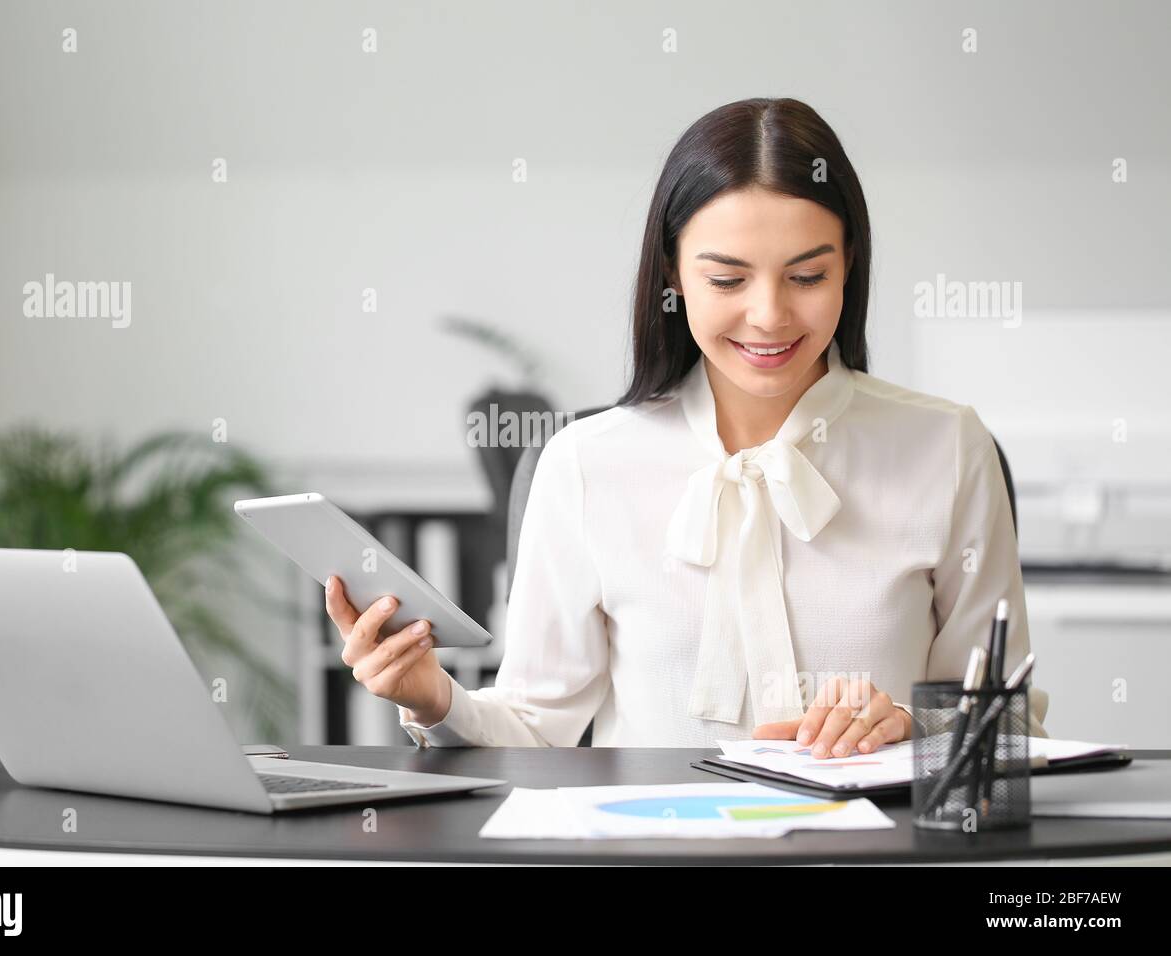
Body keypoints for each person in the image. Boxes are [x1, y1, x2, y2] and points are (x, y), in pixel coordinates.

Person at [326, 96, 1049, 753]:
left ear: (849, 265)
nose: (769, 315)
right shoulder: (585, 464)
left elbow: (1010, 723)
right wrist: (430, 697)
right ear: (673, 273)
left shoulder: (947, 448)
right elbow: (533, 730)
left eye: (806, 276)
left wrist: (912, 727)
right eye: (728, 280)